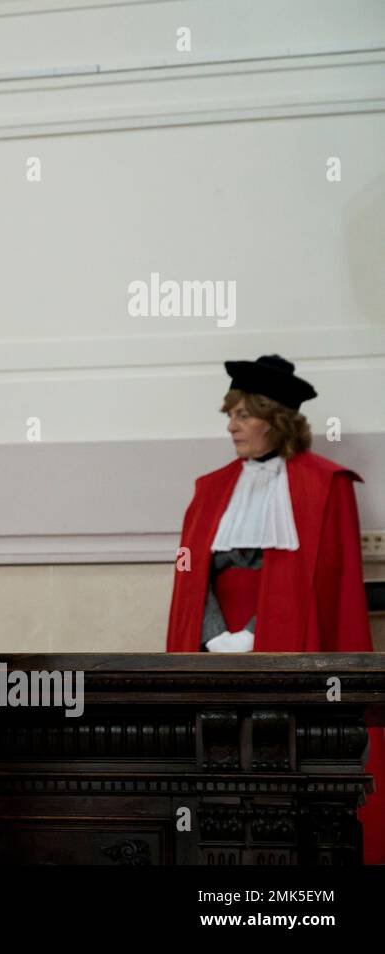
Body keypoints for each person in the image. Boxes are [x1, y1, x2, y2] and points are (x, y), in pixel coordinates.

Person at [166, 354, 383, 862]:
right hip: (215, 658)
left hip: (290, 658)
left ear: (277, 419)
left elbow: (322, 585)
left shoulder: (326, 486)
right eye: (230, 413)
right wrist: (216, 636)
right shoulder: (210, 489)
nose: (231, 425)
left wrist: (256, 637)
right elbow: (192, 577)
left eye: (243, 414)